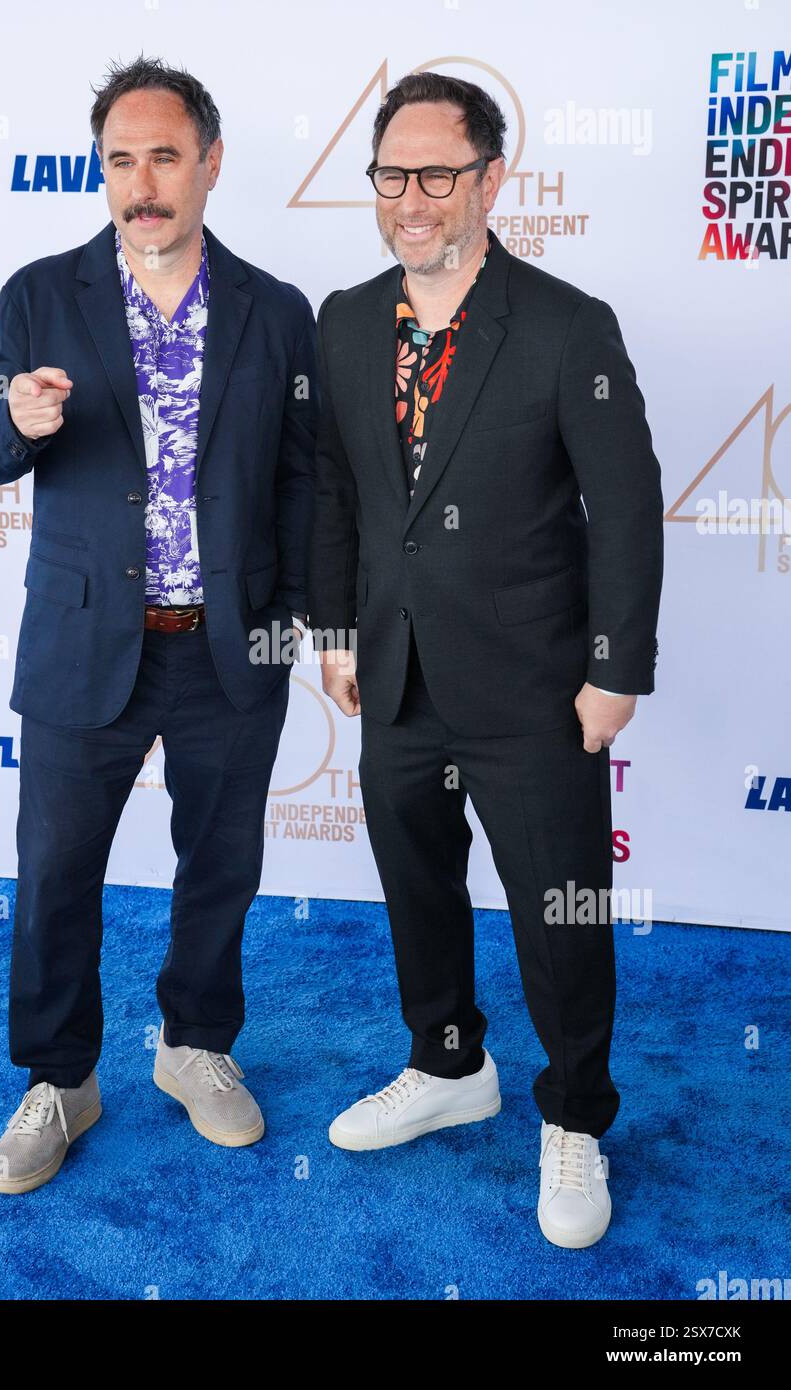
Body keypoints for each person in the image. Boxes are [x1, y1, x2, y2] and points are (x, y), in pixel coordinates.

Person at [305, 72, 663, 1248]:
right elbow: (339, 493)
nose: (412, 199)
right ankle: (450, 1062)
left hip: (538, 694)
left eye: (439, 174)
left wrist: (613, 671)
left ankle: (574, 1116)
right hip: (396, 679)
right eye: (392, 175)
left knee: (558, 911)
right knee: (418, 886)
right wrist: (338, 629)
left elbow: (627, 506)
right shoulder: (347, 322)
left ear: (491, 180)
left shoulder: (567, 325)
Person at [0, 55, 316, 1193]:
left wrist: (320, 625)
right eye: (121, 159)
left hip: (230, 642)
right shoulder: (39, 292)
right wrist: (12, 418)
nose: (142, 182)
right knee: (55, 867)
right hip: (80, 636)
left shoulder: (277, 310)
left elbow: (307, 484)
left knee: (220, 865)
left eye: (166, 155)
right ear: (101, 169)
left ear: (210, 163)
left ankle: (194, 1045)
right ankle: (62, 1078)